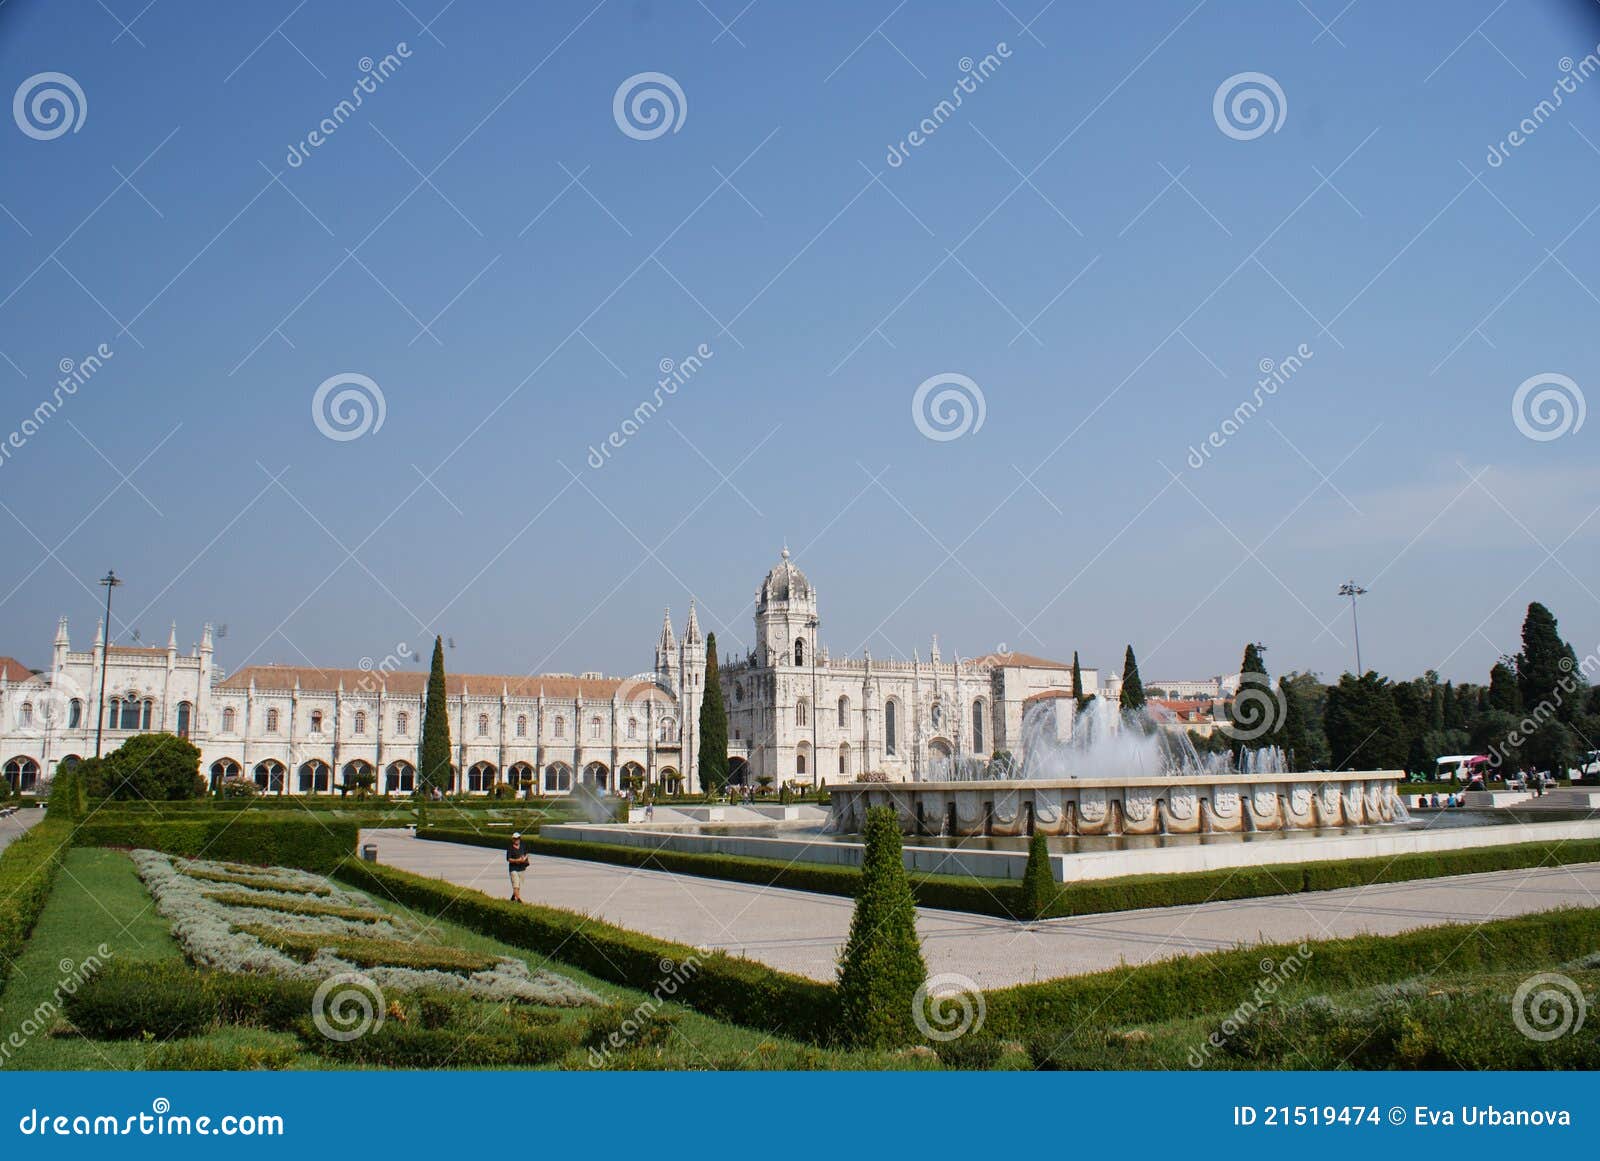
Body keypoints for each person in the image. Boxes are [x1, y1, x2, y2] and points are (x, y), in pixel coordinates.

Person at [506, 832, 530, 903]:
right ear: (513, 839)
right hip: (513, 869)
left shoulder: (523, 845)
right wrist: (517, 860)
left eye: (518, 838)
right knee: (515, 885)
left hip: (522, 868)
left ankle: (513, 898)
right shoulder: (510, 848)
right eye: (515, 838)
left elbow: (527, 854)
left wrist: (524, 858)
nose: (517, 840)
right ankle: (519, 900)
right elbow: (508, 859)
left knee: (518, 886)